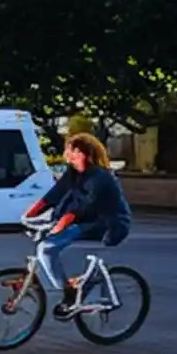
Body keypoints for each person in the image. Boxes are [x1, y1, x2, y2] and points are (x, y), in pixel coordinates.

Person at [23, 133, 132, 320]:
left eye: (73, 151)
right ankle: (75, 285)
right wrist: (28, 215)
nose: (68, 155)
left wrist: (61, 225)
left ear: (85, 154)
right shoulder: (73, 174)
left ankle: (69, 292)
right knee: (49, 241)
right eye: (68, 150)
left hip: (109, 225)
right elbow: (53, 196)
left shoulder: (101, 177)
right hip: (86, 222)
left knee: (48, 248)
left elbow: (83, 208)